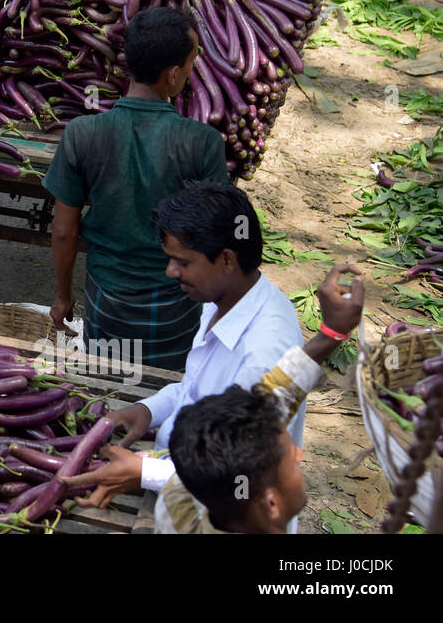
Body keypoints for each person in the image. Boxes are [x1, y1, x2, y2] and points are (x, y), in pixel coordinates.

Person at [65, 181, 305, 519]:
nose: (170, 272)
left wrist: (143, 473)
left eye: (183, 262)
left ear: (226, 260)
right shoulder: (220, 300)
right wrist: (149, 410)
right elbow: (195, 390)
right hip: (181, 500)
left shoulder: (266, 355)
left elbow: (244, 475)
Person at [65, 263, 365, 534]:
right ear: (271, 504)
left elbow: (273, 396)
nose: (297, 458)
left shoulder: (178, 506)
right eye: (292, 462)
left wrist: (330, 334)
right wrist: (330, 335)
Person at [43, 7, 228, 371]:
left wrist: (63, 295)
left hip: (107, 301)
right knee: (165, 393)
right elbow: (215, 237)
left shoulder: (82, 133)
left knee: (106, 386)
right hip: (175, 308)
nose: (191, 71)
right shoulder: (202, 142)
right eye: (191, 63)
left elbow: (64, 230)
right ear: (173, 75)